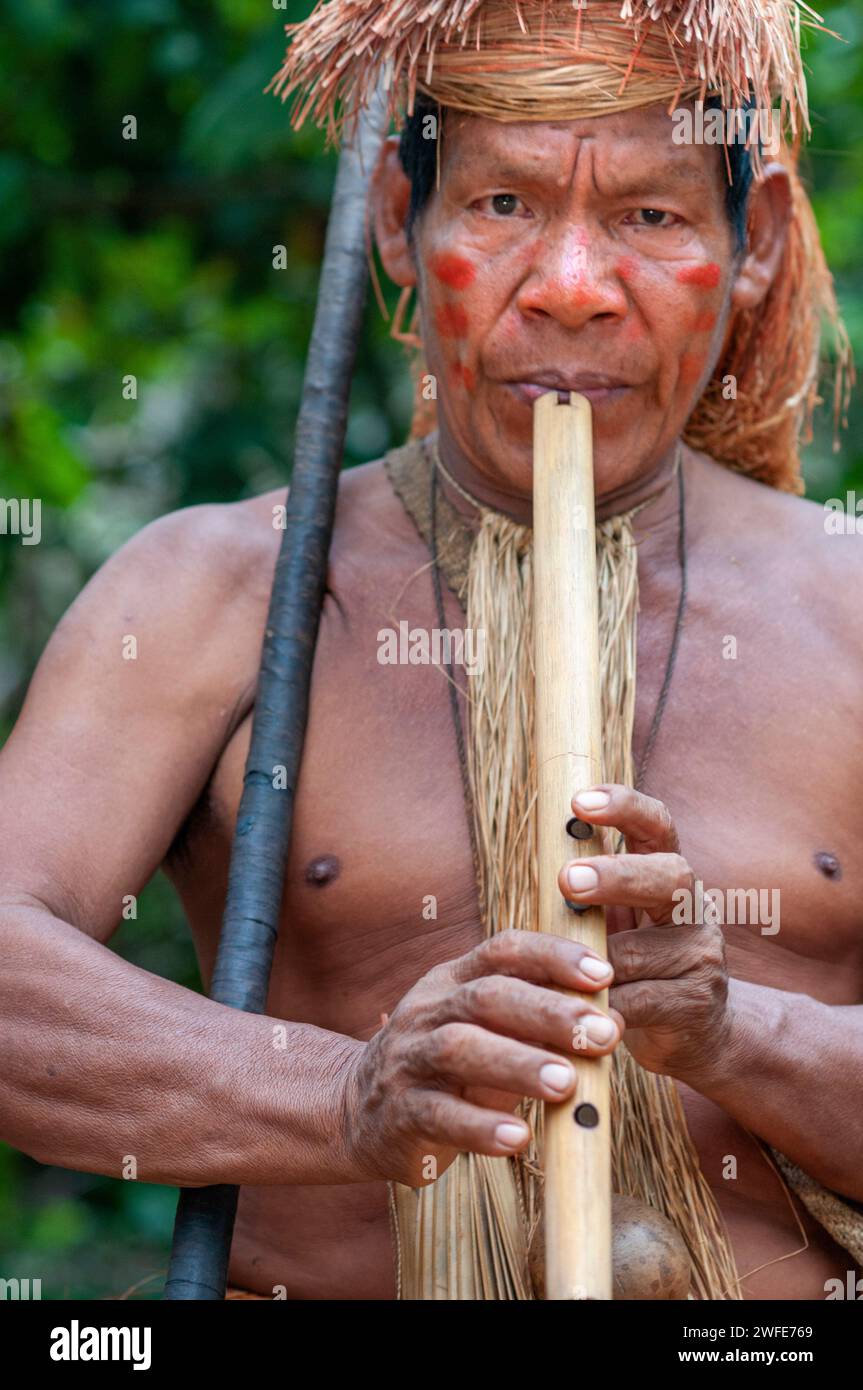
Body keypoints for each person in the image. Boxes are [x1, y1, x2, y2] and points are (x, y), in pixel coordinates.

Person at [1, 0, 860, 1299]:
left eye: (652, 216)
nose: (572, 289)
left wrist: (742, 1029)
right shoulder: (219, 591)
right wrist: (340, 1094)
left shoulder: (850, 607)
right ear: (402, 218)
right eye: (505, 203)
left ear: (758, 243)